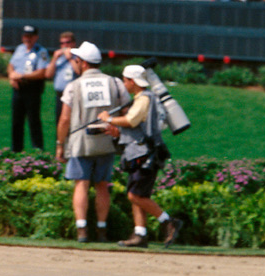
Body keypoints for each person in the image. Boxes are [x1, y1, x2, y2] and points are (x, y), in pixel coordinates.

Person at [98, 66, 184, 248]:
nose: (123, 83)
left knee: (135, 196)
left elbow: (131, 120)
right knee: (139, 194)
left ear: (133, 82)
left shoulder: (144, 98)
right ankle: (140, 234)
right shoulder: (141, 99)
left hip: (145, 155)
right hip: (139, 154)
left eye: (125, 80)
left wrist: (109, 119)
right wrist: (117, 134)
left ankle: (169, 222)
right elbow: (135, 128)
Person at [54, 42, 130, 243]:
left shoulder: (74, 85)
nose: (76, 63)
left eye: (77, 60)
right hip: (107, 140)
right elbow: (127, 113)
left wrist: (60, 144)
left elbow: (64, 119)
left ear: (84, 63)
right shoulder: (115, 83)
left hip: (81, 143)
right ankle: (102, 230)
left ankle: (82, 230)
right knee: (102, 185)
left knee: (82, 184)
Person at [7, 24, 50, 152]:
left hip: (32, 89)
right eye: (26, 36)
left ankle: (38, 149)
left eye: (30, 36)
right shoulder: (20, 49)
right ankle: (16, 150)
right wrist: (11, 76)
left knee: (33, 120)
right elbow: (11, 65)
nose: (27, 39)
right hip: (18, 88)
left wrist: (22, 76)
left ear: (35, 37)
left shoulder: (41, 52)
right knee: (16, 121)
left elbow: (42, 72)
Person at [47, 31, 77, 122]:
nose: (65, 45)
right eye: (62, 43)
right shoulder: (59, 58)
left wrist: (70, 58)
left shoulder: (77, 57)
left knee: (71, 123)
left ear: (73, 43)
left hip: (73, 96)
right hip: (60, 95)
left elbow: (78, 71)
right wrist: (54, 58)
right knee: (59, 122)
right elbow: (48, 74)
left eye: (67, 42)